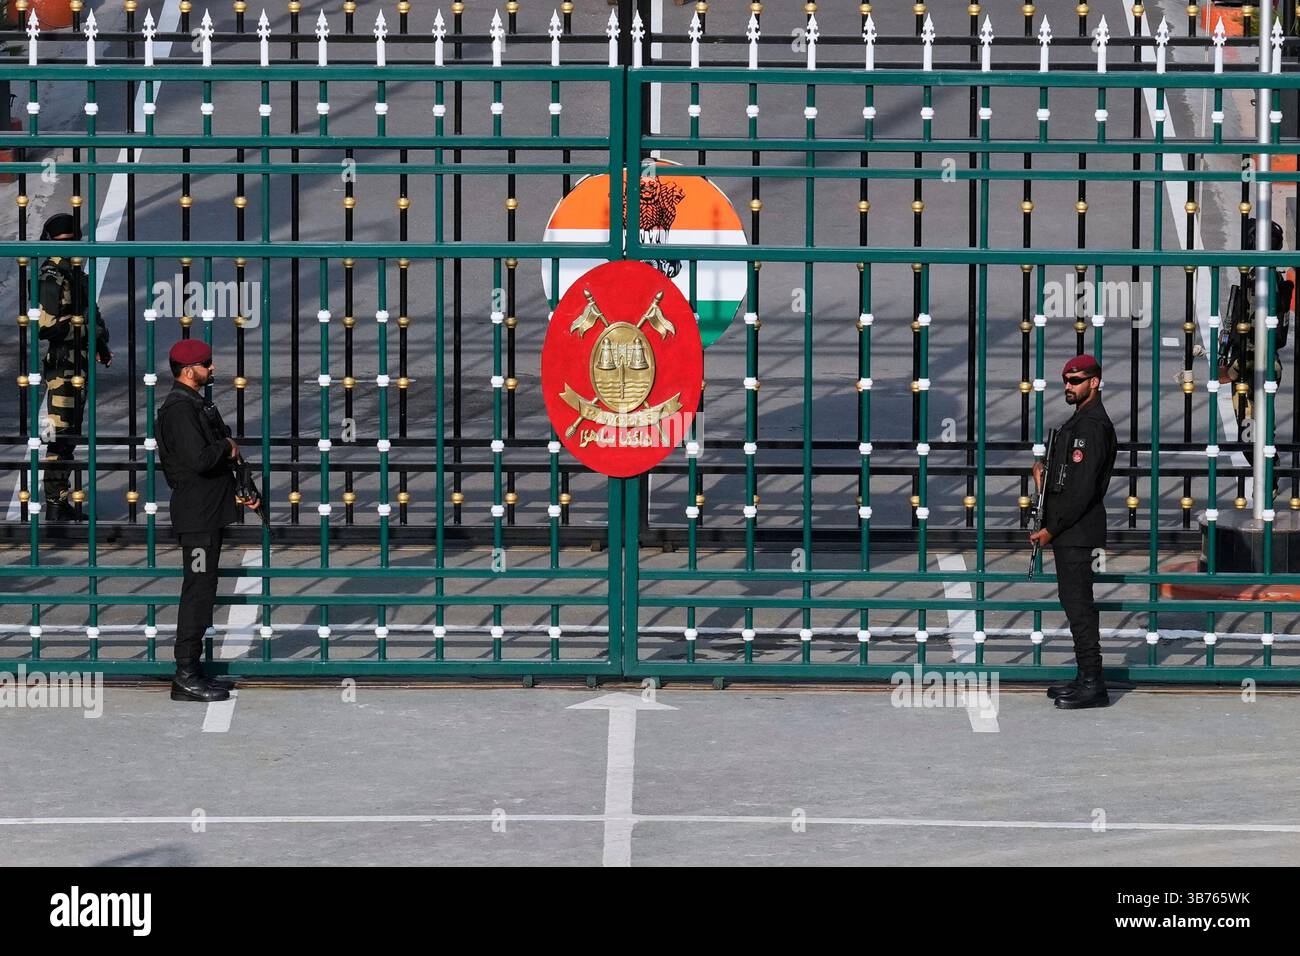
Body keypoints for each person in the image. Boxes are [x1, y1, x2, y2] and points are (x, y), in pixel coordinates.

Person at [155, 339, 260, 702]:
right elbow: (198, 459)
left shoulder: (193, 404)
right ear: (188, 371)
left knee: (203, 589)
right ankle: (185, 672)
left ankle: (192, 671)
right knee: (197, 592)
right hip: (196, 518)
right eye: (206, 363)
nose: (212, 368)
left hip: (206, 514)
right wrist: (227, 447)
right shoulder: (179, 411)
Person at [1028, 354, 1118, 710]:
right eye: (1066, 380)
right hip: (1071, 532)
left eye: (1076, 380)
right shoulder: (1080, 421)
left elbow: (1082, 491)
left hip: (1077, 533)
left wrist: (1051, 528)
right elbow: (1066, 480)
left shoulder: (1091, 427)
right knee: (1073, 602)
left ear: (1094, 382)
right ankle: (1085, 677)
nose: (1069, 386)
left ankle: (1094, 684)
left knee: (1080, 606)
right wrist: (1043, 475)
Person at [36, 213, 112, 521]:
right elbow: (46, 327)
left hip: (78, 363)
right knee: (61, 434)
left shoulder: (75, 273)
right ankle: (55, 501)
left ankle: (60, 497)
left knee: (71, 432)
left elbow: (89, 310)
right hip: (63, 368)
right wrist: (87, 333)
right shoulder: (52, 277)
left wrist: (100, 344)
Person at [1218, 219, 1293, 498]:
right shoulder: (1264, 276)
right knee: (1254, 430)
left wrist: (1234, 371)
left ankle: (1267, 481)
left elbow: (1258, 332)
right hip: (1253, 365)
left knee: (1249, 433)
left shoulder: (1260, 281)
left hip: (1254, 368)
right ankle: (1267, 476)